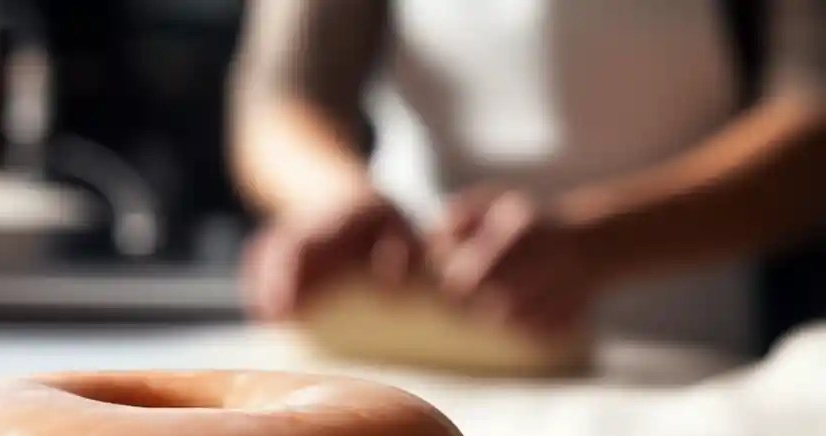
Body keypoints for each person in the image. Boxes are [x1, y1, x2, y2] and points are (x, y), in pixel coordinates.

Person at [231, 0, 826, 353]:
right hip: (399, 309)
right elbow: (279, 97)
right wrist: (333, 198)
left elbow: (812, 120)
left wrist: (595, 241)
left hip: (674, 345)